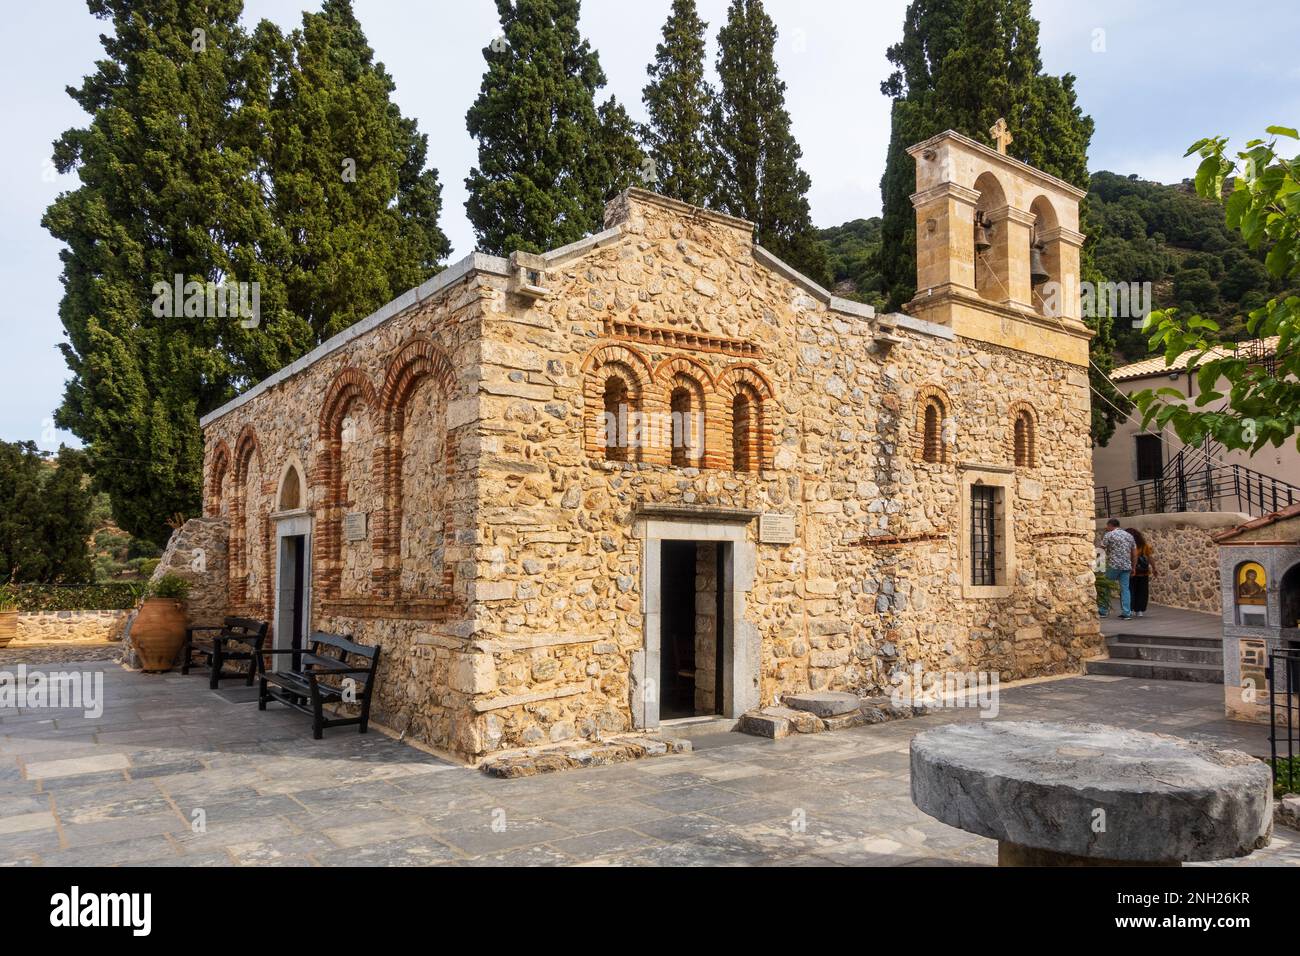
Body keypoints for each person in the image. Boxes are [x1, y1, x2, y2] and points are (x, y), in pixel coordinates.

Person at [1100, 518, 1136, 620]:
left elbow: (1101, 549)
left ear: (1111, 525)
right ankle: (1126, 613)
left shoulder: (1109, 535)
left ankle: (1103, 610)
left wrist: (1099, 565)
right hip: (1126, 566)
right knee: (1125, 589)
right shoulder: (1129, 536)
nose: (1106, 528)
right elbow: (1134, 553)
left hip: (1113, 565)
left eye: (1107, 526)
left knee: (1105, 586)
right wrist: (1133, 567)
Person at [1126, 527, 1156, 617]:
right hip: (1143, 572)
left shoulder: (1128, 546)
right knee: (1142, 591)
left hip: (1131, 571)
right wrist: (1154, 568)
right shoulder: (1145, 546)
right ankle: (1139, 610)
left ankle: (1130, 609)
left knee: (1130, 590)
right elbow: (1150, 557)